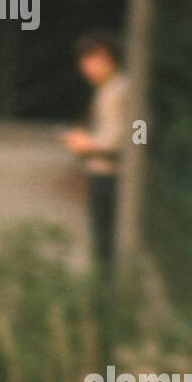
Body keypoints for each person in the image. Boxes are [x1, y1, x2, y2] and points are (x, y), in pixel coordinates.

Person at [62, 32, 128, 270]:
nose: (86, 67)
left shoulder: (120, 90)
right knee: (101, 240)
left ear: (108, 59)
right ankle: (103, 290)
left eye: (92, 60)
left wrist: (86, 144)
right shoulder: (107, 90)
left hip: (111, 175)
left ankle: (106, 295)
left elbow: (122, 139)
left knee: (106, 242)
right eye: (83, 61)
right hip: (101, 172)